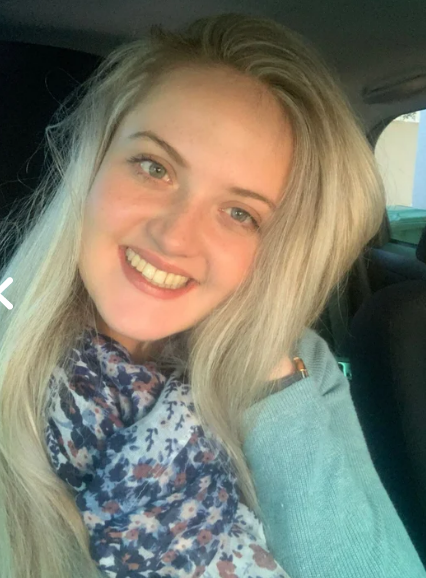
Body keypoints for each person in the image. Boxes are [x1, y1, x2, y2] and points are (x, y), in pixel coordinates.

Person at [0, 12, 424, 578]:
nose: (175, 237)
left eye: (240, 213)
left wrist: (265, 366)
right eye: (154, 167)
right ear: (92, 163)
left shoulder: (300, 364)